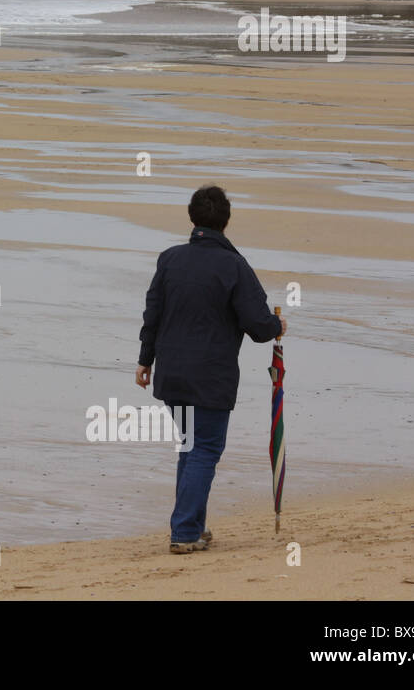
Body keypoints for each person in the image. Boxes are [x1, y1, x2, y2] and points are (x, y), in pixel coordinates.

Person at [134, 185, 286, 554]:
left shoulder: (169, 258)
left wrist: (145, 360)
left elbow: (152, 313)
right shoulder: (234, 264)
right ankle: (185, 531)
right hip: (211, 376)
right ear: (226, 220)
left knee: (190, 447)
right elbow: (258, 325)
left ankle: (192, 527)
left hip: (172, 372)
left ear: (192, 217)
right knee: (203, 448)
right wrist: (276, 327)